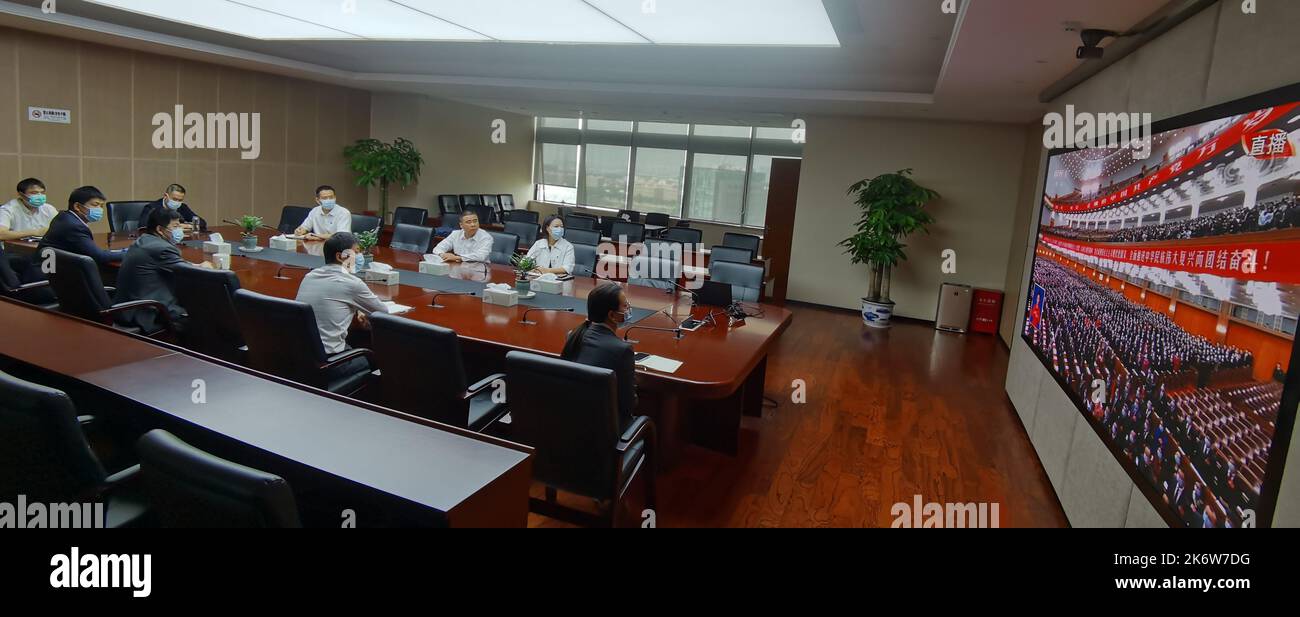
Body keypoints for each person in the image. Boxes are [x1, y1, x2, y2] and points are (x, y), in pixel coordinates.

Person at [114, 207, 213, 333]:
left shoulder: (144, 240)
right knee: (207, 314)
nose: (180, 230)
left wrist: (196, 265)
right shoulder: (162, 248)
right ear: (160, 229)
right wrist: (204, 268)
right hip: (148, 312)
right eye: (176, 226)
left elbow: (178, 265)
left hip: (128, 309)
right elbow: (190, 275)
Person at [295, 232, 389, 357]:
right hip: (329, 360)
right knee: (374, 359)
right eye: (356, 252)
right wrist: (361, 308)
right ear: (340, 257)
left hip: (302, 355)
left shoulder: (310, 276)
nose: (359, 256)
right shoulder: (352, 283)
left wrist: (358, 308)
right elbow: (382, 313)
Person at [560, 283, 638, 429]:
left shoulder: (573, 335)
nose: (628, 309)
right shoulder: (622, 350)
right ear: (611, 315)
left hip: (569, 422)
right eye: (625, 306)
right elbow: (628, 405)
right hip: (602, 430)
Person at [37, 186, 125, 267]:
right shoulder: (74, 226)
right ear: (77, 206)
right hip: (50, 272)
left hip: (51, 268)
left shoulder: (64, 217)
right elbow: (99, 256)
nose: (99, 209)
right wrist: (130, 253)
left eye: (101, 206)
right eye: (95, 205)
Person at [0, 178, 59, 283]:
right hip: (13, 252)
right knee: (43, 260)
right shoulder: (8, 209)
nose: (39, 196)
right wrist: (34, 232)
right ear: (20, 194)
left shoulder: (48, 209)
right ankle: (35, 290)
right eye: (34, 193)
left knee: (63, 257)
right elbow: (1, 234)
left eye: (42, 193)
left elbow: (62, 229)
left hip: (41, 249)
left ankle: (52, 287)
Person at [139, 183, 204, 233]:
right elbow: (143, 227)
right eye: (175, 199)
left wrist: (189, 226)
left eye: (180, 200)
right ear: (166, 196)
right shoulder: (152, 207)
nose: (177, 202)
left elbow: (202, 223)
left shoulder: (182, 207)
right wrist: (175, 226)